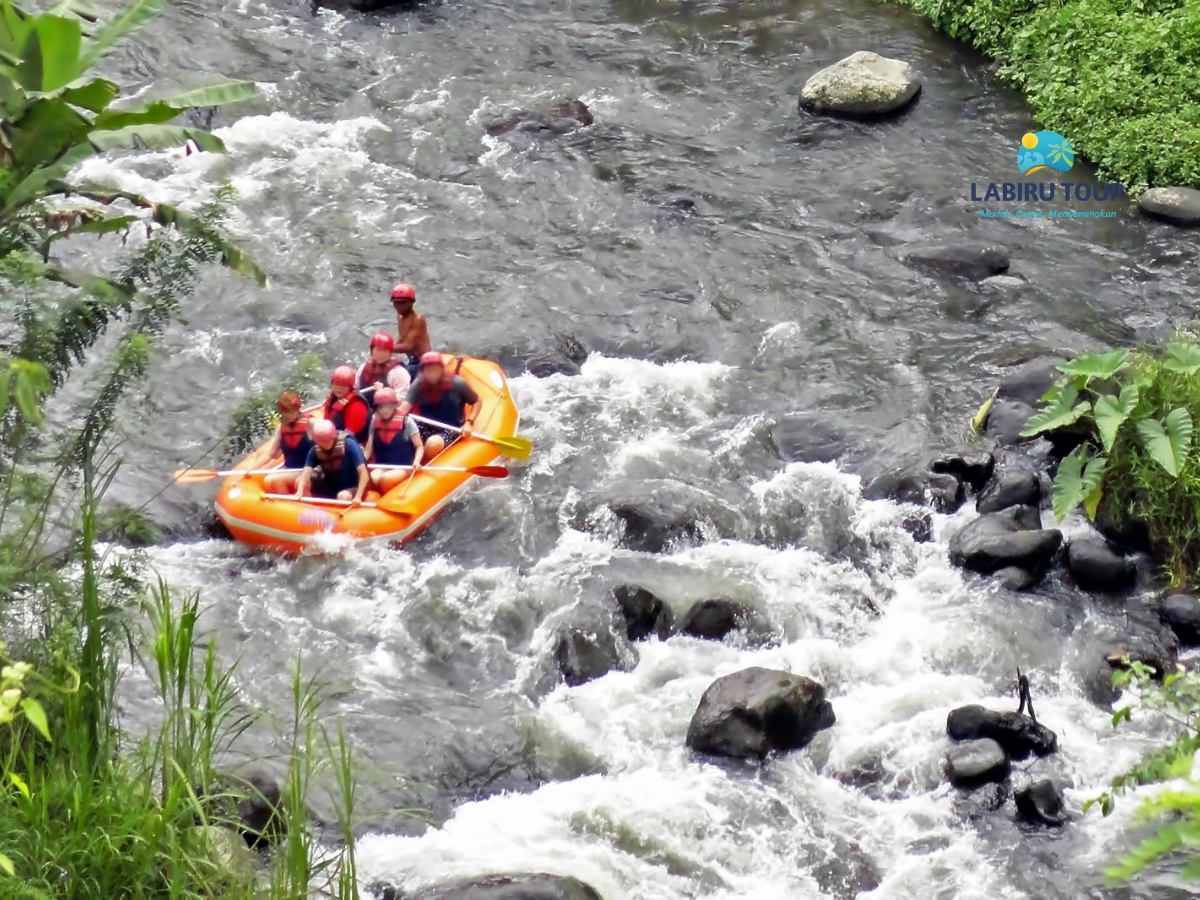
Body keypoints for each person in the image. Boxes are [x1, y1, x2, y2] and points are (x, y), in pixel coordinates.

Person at [397, 350, 480, 459]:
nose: (431, 374)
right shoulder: (419, 384)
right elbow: (405, 406)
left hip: (451, 428)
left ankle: (423, 464)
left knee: (433, 444)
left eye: (434, 370)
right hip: (426, 424)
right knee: (401, 437)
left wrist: (469, 422)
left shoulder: (457, 383)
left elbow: (476, 401)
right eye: (428, 370)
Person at [363, 387, 425, 493]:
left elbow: (419, 446)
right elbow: (368, 450)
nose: (385, 410)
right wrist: (360, 463)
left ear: (395, 405)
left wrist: (417, 461)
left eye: (389, 406)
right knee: (372, 478)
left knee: (386, 479)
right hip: (382, 466)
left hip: (404, 467)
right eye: (381, 407)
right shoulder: (374, 422)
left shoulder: (407, 421)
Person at [295, 419, 370, 505]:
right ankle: (310, 509)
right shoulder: (315, 449)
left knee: (343, 496)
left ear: (333, 437)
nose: (324, 444)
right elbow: (306, 472)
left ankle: (340, 515)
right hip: (331, 485)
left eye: (327, 441)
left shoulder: (349, 444)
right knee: (299, 480)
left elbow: (363, 473)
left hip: (352, 485)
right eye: (321, 442)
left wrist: (358, 497)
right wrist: (299, 491)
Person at [252, 391, 312, 495]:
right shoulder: (282, 427)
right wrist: (252, 469)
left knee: (272, 480)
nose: (290, 415)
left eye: (293, 411)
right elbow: (271, 454)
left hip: (308, 469)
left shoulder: (310, 423)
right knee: (269, 481)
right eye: (287, 412)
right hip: (291, 469)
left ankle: (292, 506)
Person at [390, 283, 432, 377]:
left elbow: (408, 346)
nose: (398, 305)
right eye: (396, 302)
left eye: (402, 302)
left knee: (399, 377)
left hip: (423, 362)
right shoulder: (400, 317)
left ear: (411, 302)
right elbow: (403, 339)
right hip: (412, 360)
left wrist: (386, 347)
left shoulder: (417, 319)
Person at [323, 365, 370, 444]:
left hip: (353, 444)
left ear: (350, 387)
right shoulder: (332, 398)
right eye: (336, 384)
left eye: (344, 386)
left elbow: (349, 435)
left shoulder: (357, 406)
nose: (339, 388)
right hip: (333, 436)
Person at [356, 332, 401, 408]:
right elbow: (356, 390)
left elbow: (401, 402)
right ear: (372, 350)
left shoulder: (398, 373)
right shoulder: (363, 368)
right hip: (366, 409)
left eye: (385, 351)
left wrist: (384, 393)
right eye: (378, 350)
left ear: (390, 353)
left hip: (387, 412)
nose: (381, 354)